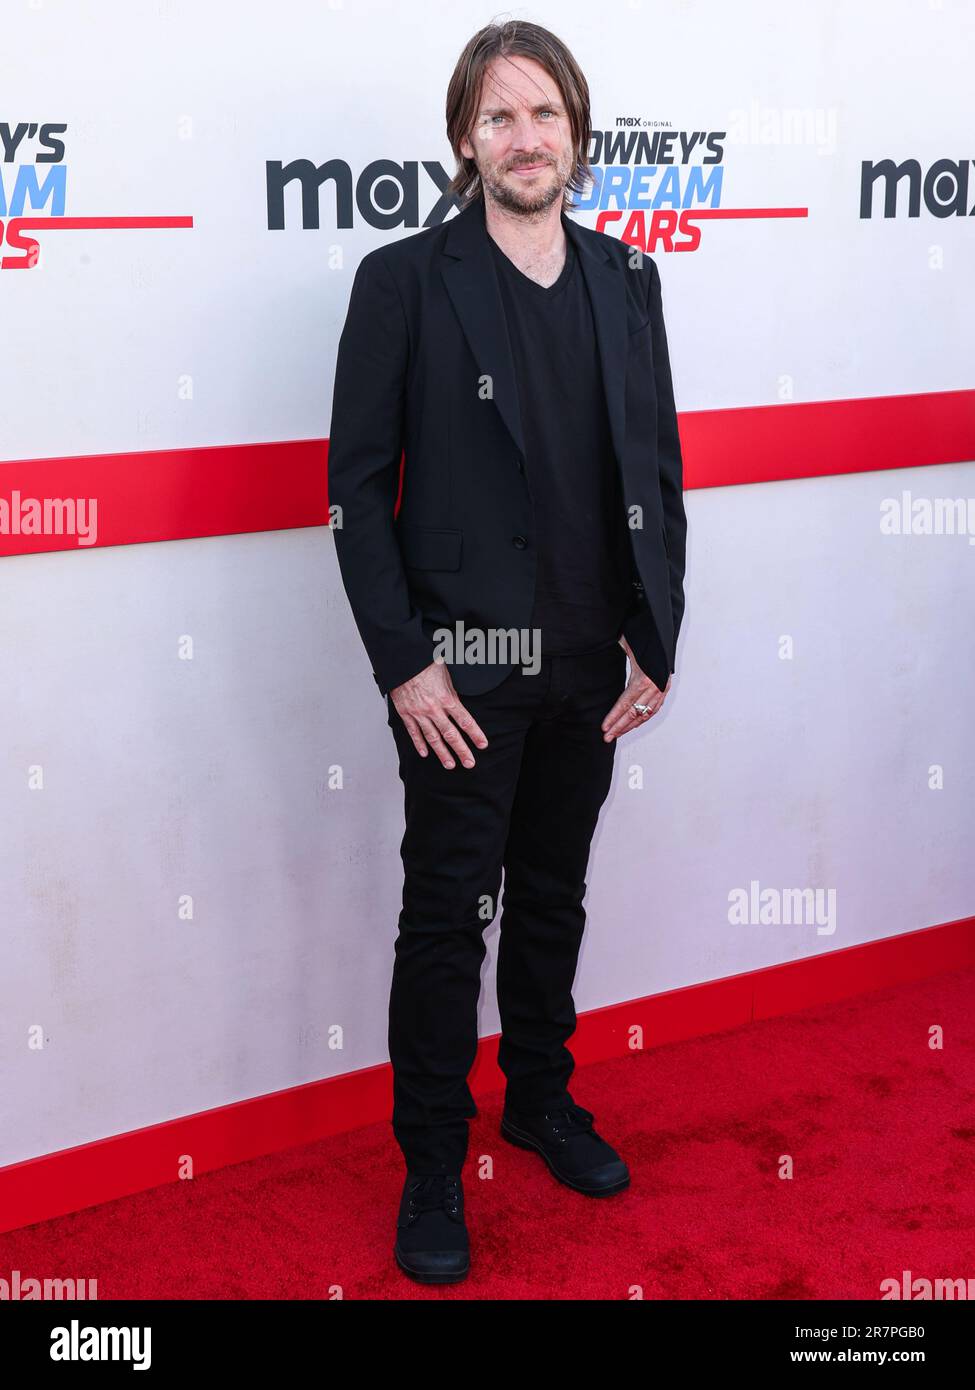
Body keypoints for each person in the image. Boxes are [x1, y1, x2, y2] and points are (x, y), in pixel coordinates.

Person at [328, 18, 687, 1285]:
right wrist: (404, 664)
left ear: (576, 130)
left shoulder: (628, 281)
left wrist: (659, 634)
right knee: (444, 921)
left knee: (552, 896)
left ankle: (539, 1098)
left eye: (542, 114)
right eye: (498, 118)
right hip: (460, 680)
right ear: (465, 141)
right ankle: (433, 1161)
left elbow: (656, 470)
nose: (523, 138)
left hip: (594, 666)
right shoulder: (405, 282)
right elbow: (355, 491)